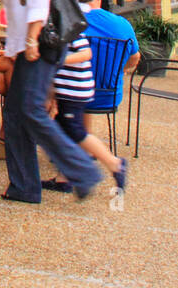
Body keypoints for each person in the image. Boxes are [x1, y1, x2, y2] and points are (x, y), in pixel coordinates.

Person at [0, 0, 102, 204]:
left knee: (31, 112)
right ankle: (24, 186)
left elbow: (40, 2)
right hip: (29, 47)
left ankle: (82, 171)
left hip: (40, 48)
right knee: (16, 116)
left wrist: (30, 42)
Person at [42, 32, 128, 193]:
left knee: (76, 132)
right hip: (65, 90)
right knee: (62, 133)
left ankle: (115, 164)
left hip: (74, 92)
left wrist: (59, 60)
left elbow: (86, 53)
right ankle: (65, 178)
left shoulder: (69, 28)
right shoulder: (53, 29)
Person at [72, 0, 140, 129]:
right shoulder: (122, 25)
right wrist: (120, 71)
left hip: (73, 95)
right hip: (109, 96)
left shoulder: (68, 24)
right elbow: (135, 58)